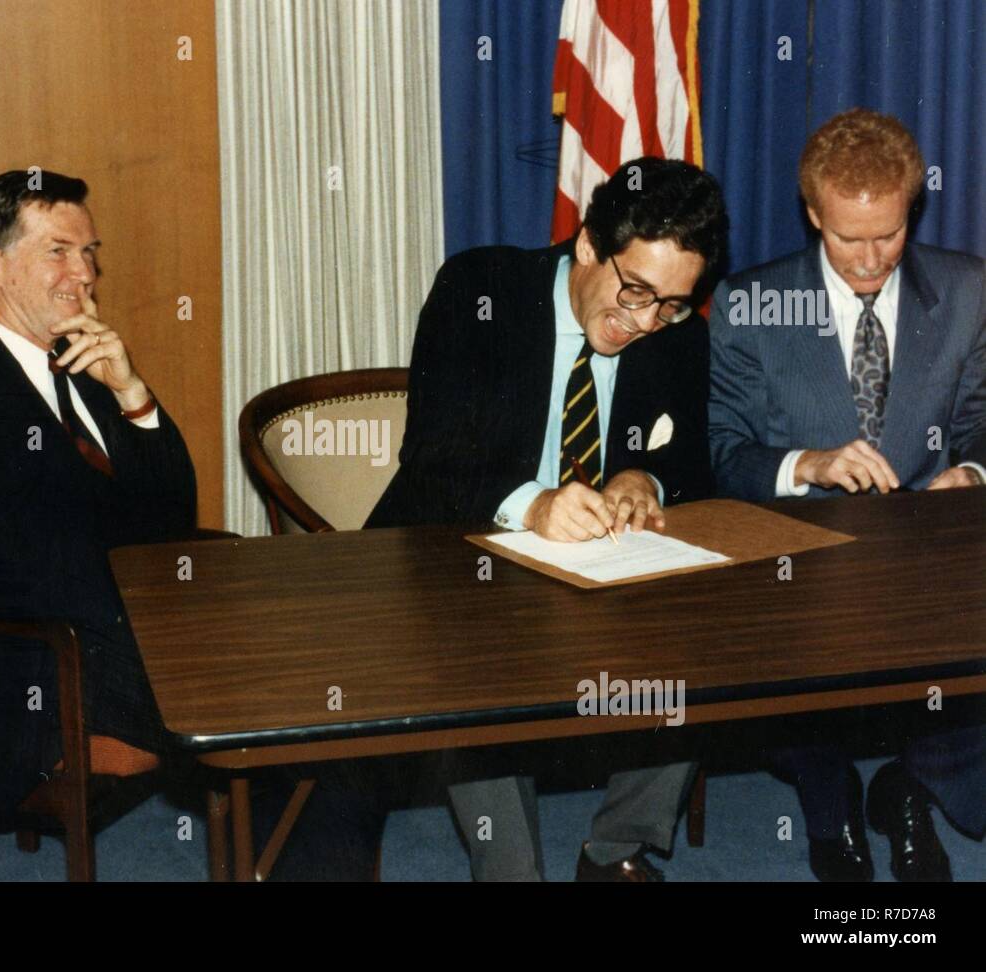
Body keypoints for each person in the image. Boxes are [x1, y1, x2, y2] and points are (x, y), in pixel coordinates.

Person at [0, 171, 385, 879]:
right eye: (59, 252)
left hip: (116, 622)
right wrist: (187, 626)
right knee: (284, 725)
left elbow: (170, 517)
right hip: (20, 664)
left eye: (90, 254)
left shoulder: (81, 363)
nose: (83, 274)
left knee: (336, 692)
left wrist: (134, 396)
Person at [366, 157, 729, 881]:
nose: (644, 321)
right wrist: (531, 504)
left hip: (598, 566)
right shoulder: (481, 289)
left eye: (670, 304)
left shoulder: (676, 330)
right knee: (471, 659)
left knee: (701, 636)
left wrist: (642, 475)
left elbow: (693, 458)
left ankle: (618, 851)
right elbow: (431, 454)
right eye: (634, 292)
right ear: (588, 245)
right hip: (455, 555)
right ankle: (513, 875)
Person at [708, 108, 986, 881]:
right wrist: (808, 463)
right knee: (758, 676)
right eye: (847, 238)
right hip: (798, 570)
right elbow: (721, 456)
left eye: (888, 236)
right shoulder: (749, 304)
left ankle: (911, 783)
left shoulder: (969, 292)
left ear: (912, 210)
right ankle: (831, 809)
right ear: (811, 214)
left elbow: (983, 423)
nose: (869, 261)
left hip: (933, 564)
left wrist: (972, 473)